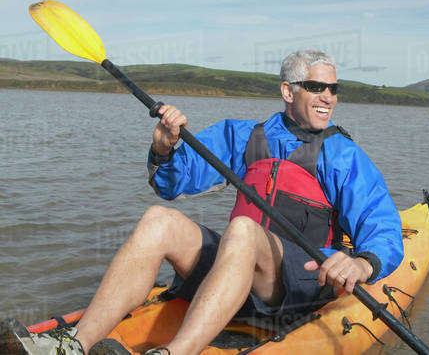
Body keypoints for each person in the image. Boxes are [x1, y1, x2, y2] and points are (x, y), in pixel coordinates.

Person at [0, 50, 404, 355]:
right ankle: (73, 345)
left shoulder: (345, 157)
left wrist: (361, 262)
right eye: (317, 87)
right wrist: (164, 148)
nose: (329, 97)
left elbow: (382, 227)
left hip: (296, 285)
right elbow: (173, 184)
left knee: (243, 230)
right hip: (235, 271)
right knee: (159, 218)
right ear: (288, 90)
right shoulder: (243, 136)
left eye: (334, 88)